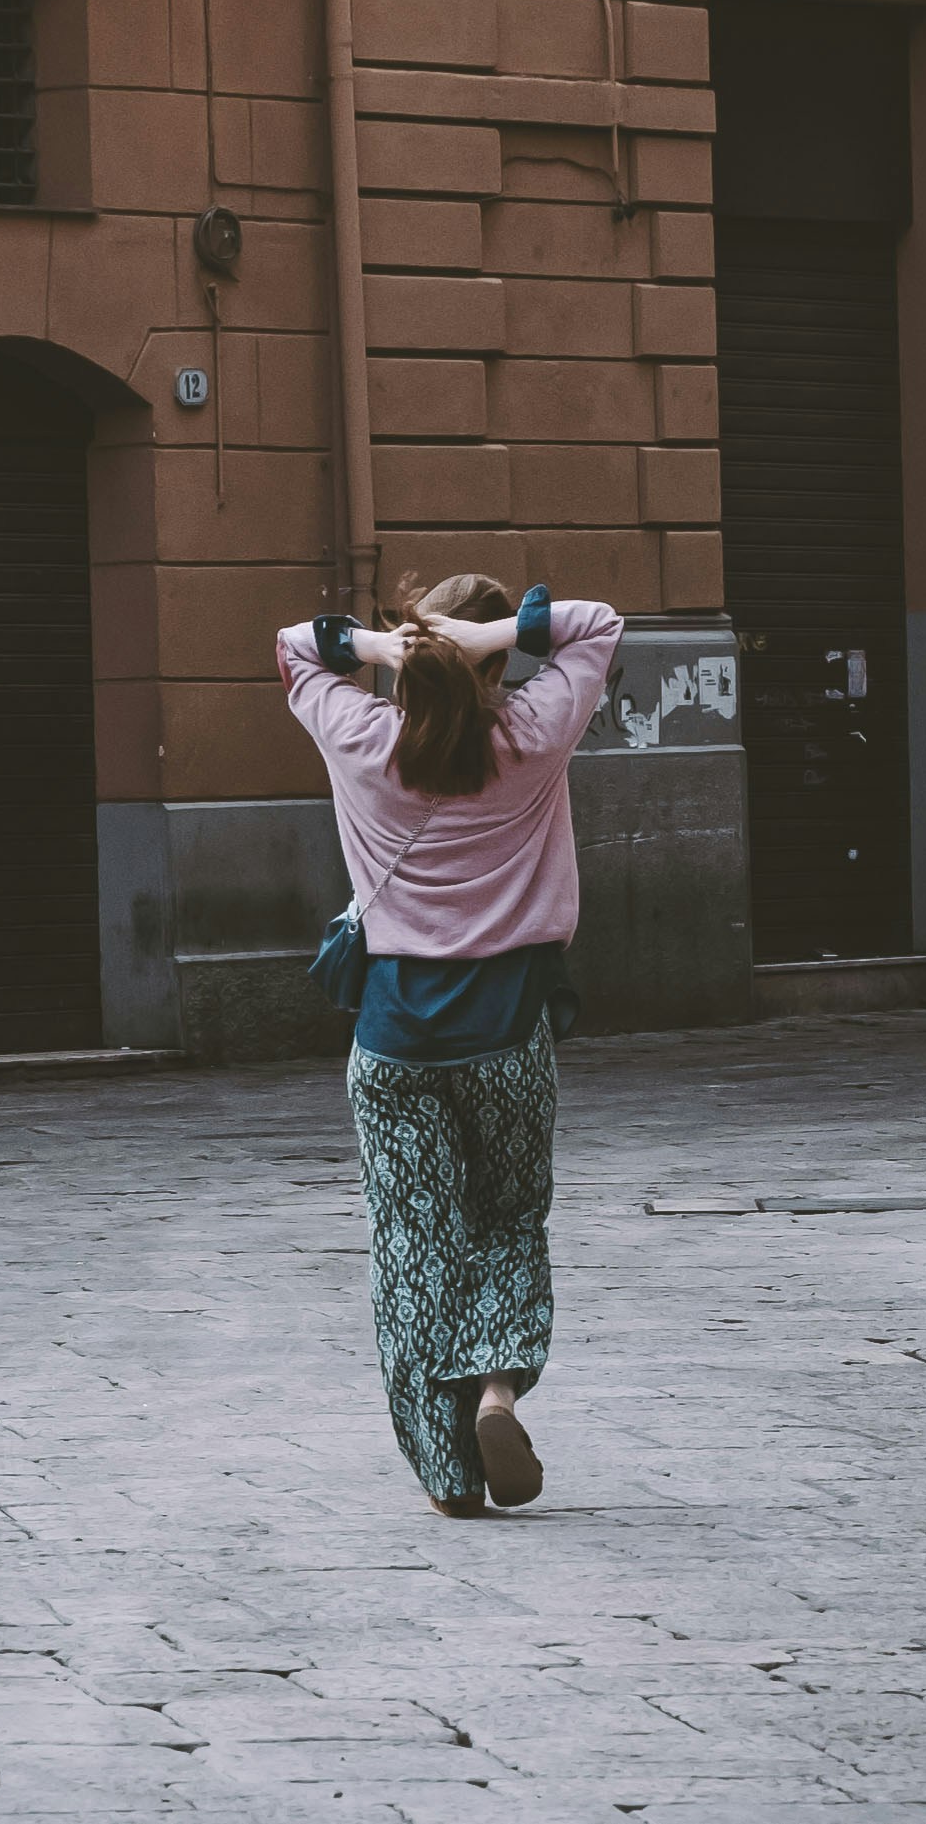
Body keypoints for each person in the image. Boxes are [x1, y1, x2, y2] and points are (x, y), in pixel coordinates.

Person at [276, 573, 624, 1517]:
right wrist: (485, 634)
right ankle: (498, 1392)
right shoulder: (529, 737)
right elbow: (597, 626)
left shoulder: (365, 740)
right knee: (509, 1215)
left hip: (393, 1043)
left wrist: (393, 648)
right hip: (508, 1029)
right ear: (493, 657)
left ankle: (443, 1467)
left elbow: (295, 646)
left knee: (412, 1243)